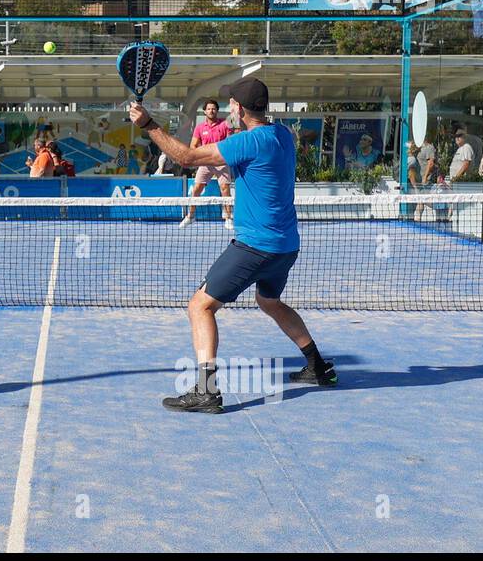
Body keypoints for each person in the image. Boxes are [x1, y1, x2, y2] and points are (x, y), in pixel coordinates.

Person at [128, 78, 336, 414]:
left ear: (238, 108)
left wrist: (148, 124)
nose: (228, 109)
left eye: (231, 104)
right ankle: (318, 366)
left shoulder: (247, 142)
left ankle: (207, 391)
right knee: (269, 301)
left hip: (256, 245)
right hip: (286, 245)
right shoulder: (283, 135)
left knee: (200, 306)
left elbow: (186, 157)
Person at [180, 100, 234, 230]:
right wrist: (202, 154)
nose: (211, 111)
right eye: (209, 109)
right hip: (205, 162)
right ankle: (190, 216)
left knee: (225, 188)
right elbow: (193, 145)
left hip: (221, 162)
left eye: (214, 109)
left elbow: (230, 141)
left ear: (217, 110)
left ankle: (228, 217)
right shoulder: (199, 128)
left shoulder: (224, 125)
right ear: (205, 111)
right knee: (196, 189)